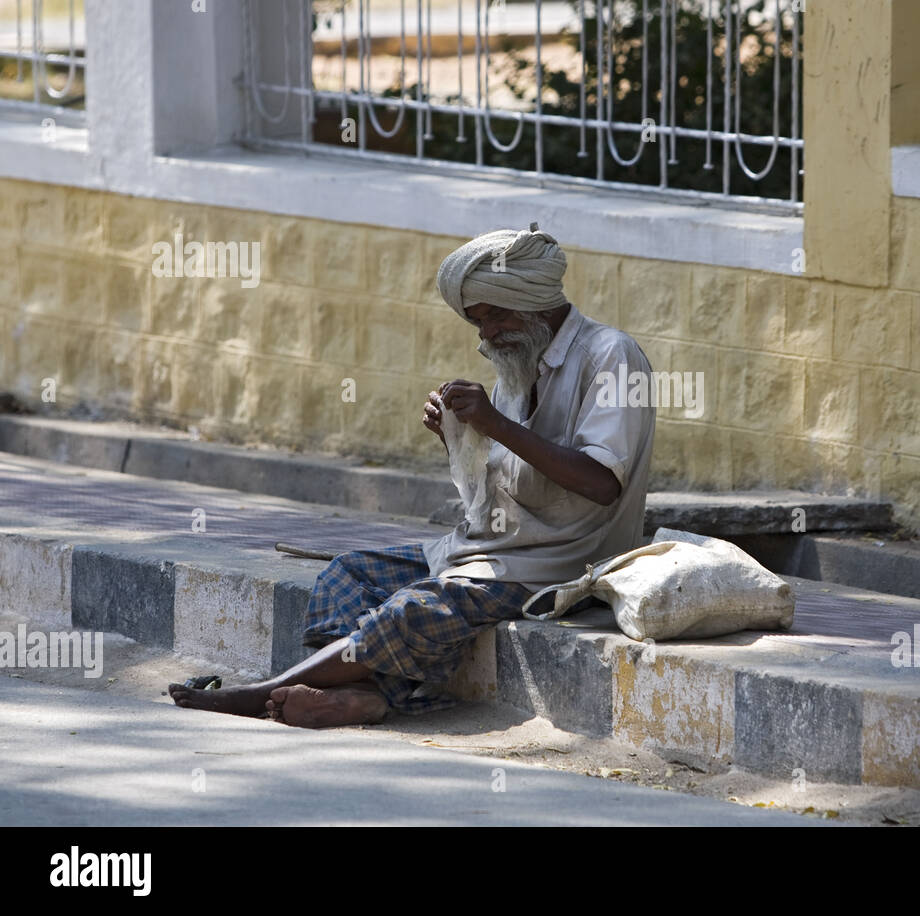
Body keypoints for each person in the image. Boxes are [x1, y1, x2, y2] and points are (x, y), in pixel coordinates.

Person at [168, 225, 656, 727]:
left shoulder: (611, 356)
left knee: (414, 607)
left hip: (560, 565)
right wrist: (458, 440)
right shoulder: (520, 361)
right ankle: (369, 695)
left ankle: (267, 692)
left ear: (529, 301)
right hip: (492, 550)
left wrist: (497, 426)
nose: (486, 336)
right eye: (476, 323)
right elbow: (501, 487)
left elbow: (600, 483)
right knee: (348, 573)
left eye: (493, 317)